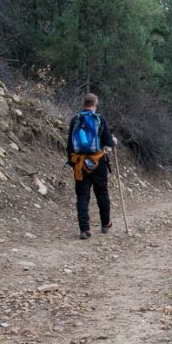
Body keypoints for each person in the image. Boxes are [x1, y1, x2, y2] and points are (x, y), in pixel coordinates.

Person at [66, 93, 117, 239]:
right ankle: (105, 223)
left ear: (84, 103)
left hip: (80, 163)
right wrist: (114, 141)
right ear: (95, 103)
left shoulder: (75, 120)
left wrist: (72, 162)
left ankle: (85, 230)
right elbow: (108, 141)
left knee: (82, 196)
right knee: (102, 193)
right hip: (98, 161)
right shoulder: (100, 119)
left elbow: (70, 144)